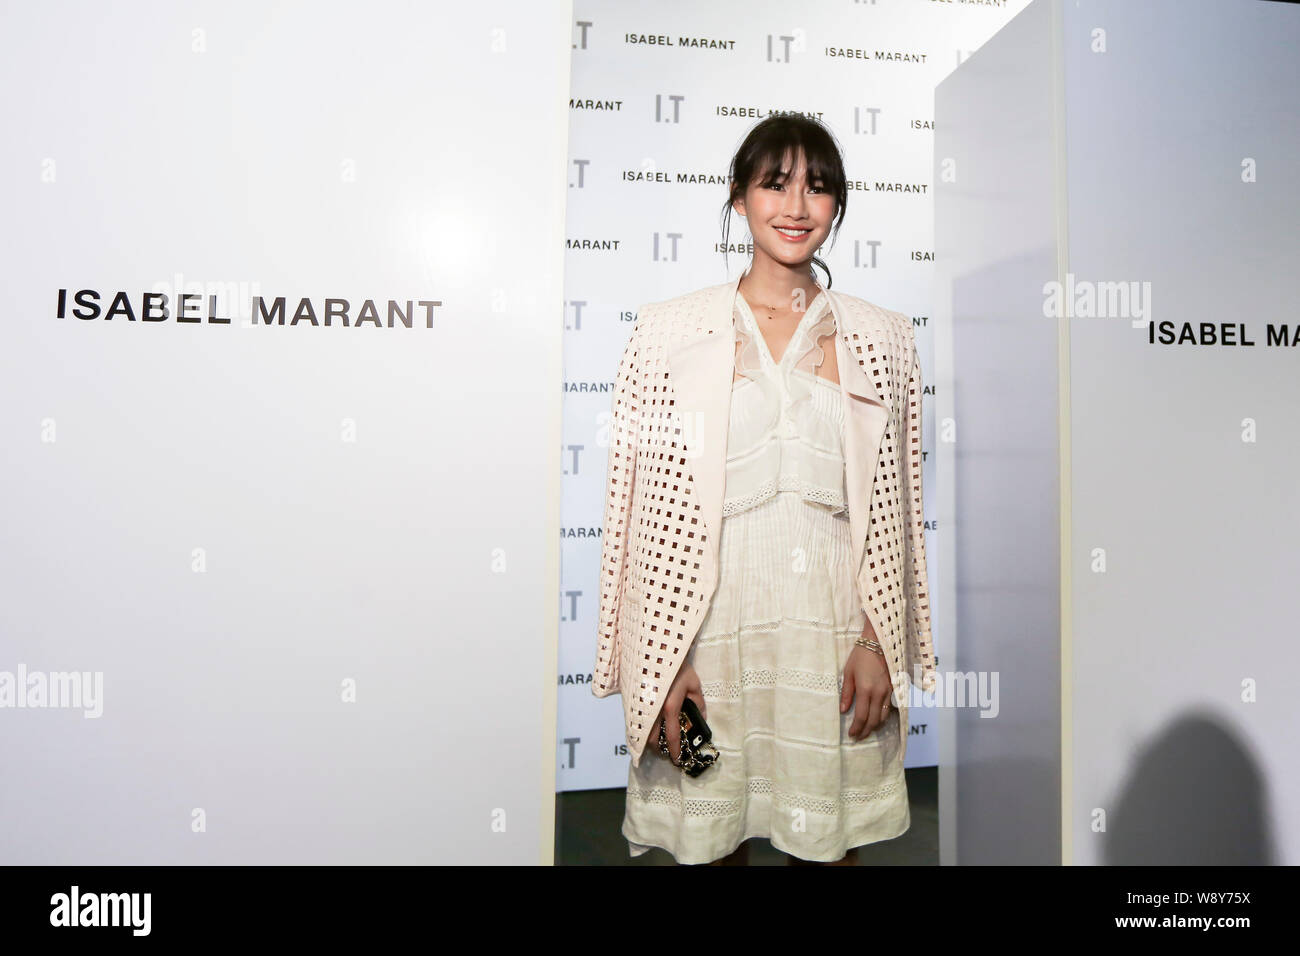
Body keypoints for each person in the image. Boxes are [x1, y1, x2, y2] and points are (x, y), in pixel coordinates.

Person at [600, 114, 930, 866]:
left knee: (828, 847)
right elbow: (640, 517)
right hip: (704, 639)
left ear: (837, 204)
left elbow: (897, 515)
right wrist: (661, 659)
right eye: (775, 184)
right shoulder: (666, 331)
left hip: (833, 640)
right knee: (711, 843)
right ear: (739, 196)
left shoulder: (883, 336)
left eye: (818, 187)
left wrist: (878, 641)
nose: (796, 206)